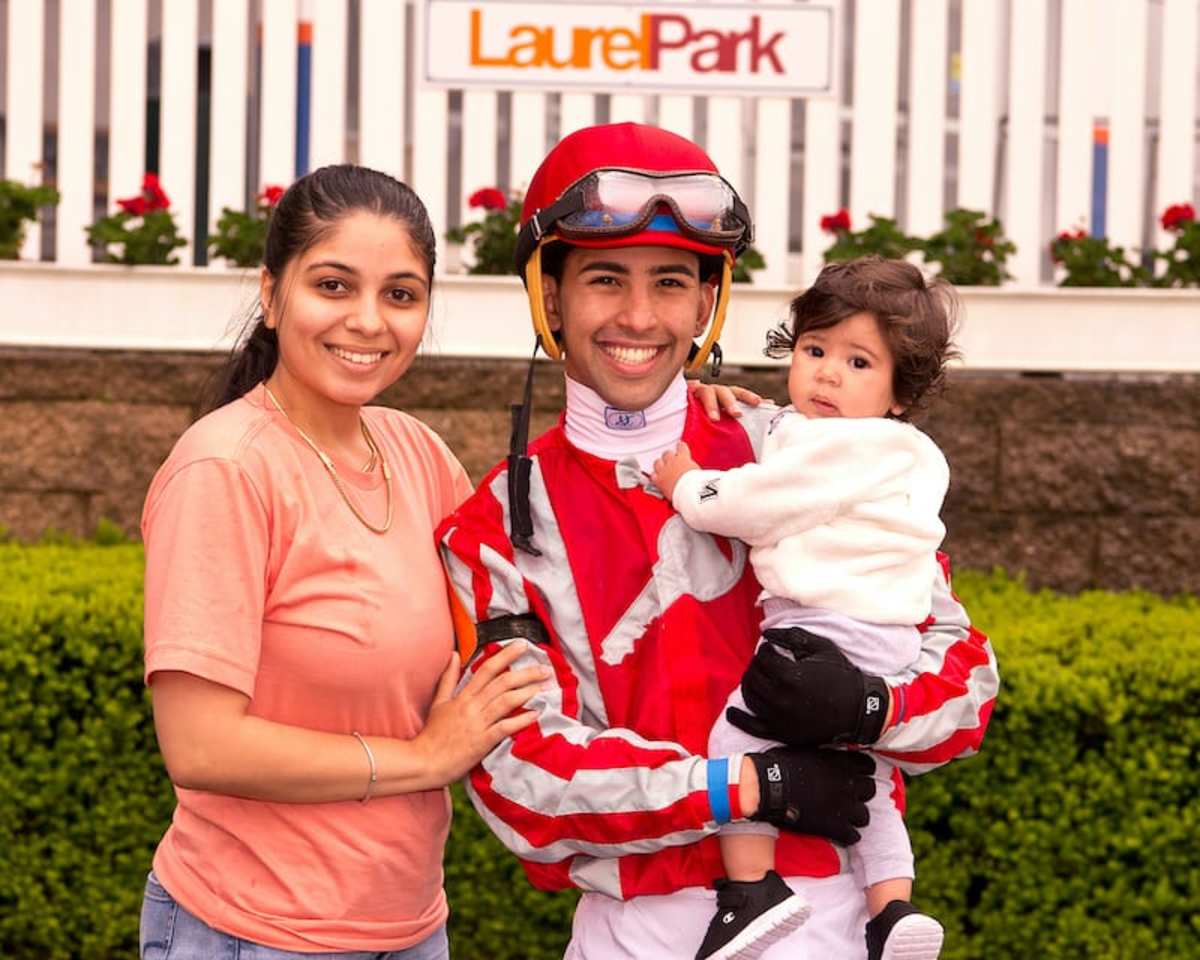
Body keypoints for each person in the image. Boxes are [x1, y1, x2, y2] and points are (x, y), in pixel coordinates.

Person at [436, 123, 999, 960]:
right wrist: (744, 786)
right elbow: (522, 778)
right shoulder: (493, 523)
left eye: (670, 282)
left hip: (841, 927)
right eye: (603, 279)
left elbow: (968, 681)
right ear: (548, 296)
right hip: (635, 936)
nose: (638, 315)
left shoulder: (801, 449)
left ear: (708, 301)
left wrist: (869, 706)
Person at [139, 164, 549, 958]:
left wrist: (699, 428)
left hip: (410, 926)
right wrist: (426, 757)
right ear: (270, 293)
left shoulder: (416, 451)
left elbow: (516, 602)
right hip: (254, 933)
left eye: (400, 294)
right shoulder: (225, 469)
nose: (368, 321)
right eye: (334, 285)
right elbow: (199, 745)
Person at [650, 257, 959, 960]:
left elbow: (756, 503)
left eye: (857, 362)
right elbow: (786, 431)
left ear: (899, 393)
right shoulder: (899, 449)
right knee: (866, 777)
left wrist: (686, 485)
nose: (826, 374)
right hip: (887, 644)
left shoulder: (844, 448)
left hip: (821, 628)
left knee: (736, 744)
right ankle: (892, 909)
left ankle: (751, 891)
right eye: (815, 350)